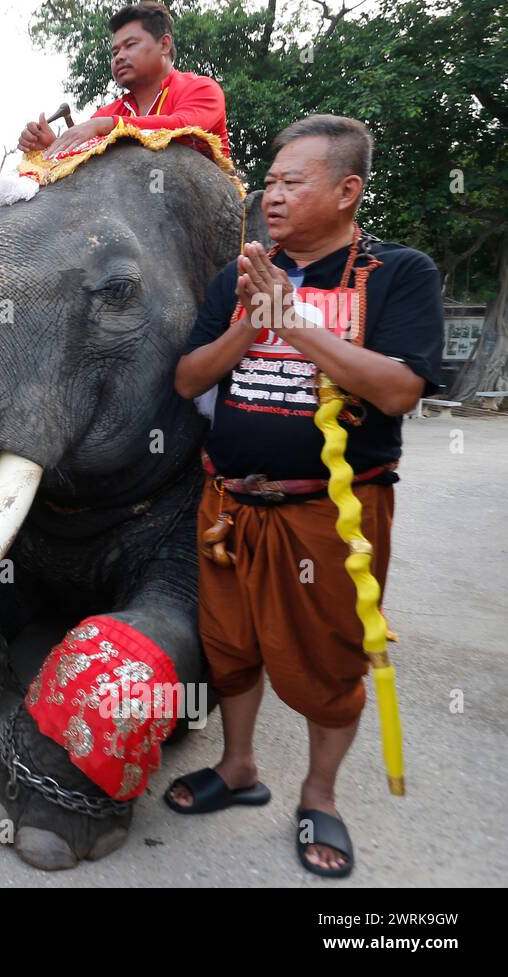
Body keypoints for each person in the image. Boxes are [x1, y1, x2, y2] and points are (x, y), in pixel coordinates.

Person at [171, 115, 444, 877]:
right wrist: (247, 327)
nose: (274, 195)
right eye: (270, 182)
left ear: (348, 190)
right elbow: (189, 378)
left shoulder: (398, 273)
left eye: (295, 181)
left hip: (331, 514)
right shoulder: (241, 274)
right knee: (230, 647)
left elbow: (398, 389)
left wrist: (294, 325)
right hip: (228, 503)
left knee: (328, 661)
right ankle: (238, 766)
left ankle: (320, 794)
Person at [17, 2, 230, 160]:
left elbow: (182, 126)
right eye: (115, 51)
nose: (118, 56)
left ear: (164, 45)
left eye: (130, 45)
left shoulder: (202, 89)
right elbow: (86, 167)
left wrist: (109, 125)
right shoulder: (107, 114)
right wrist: (53, 146)